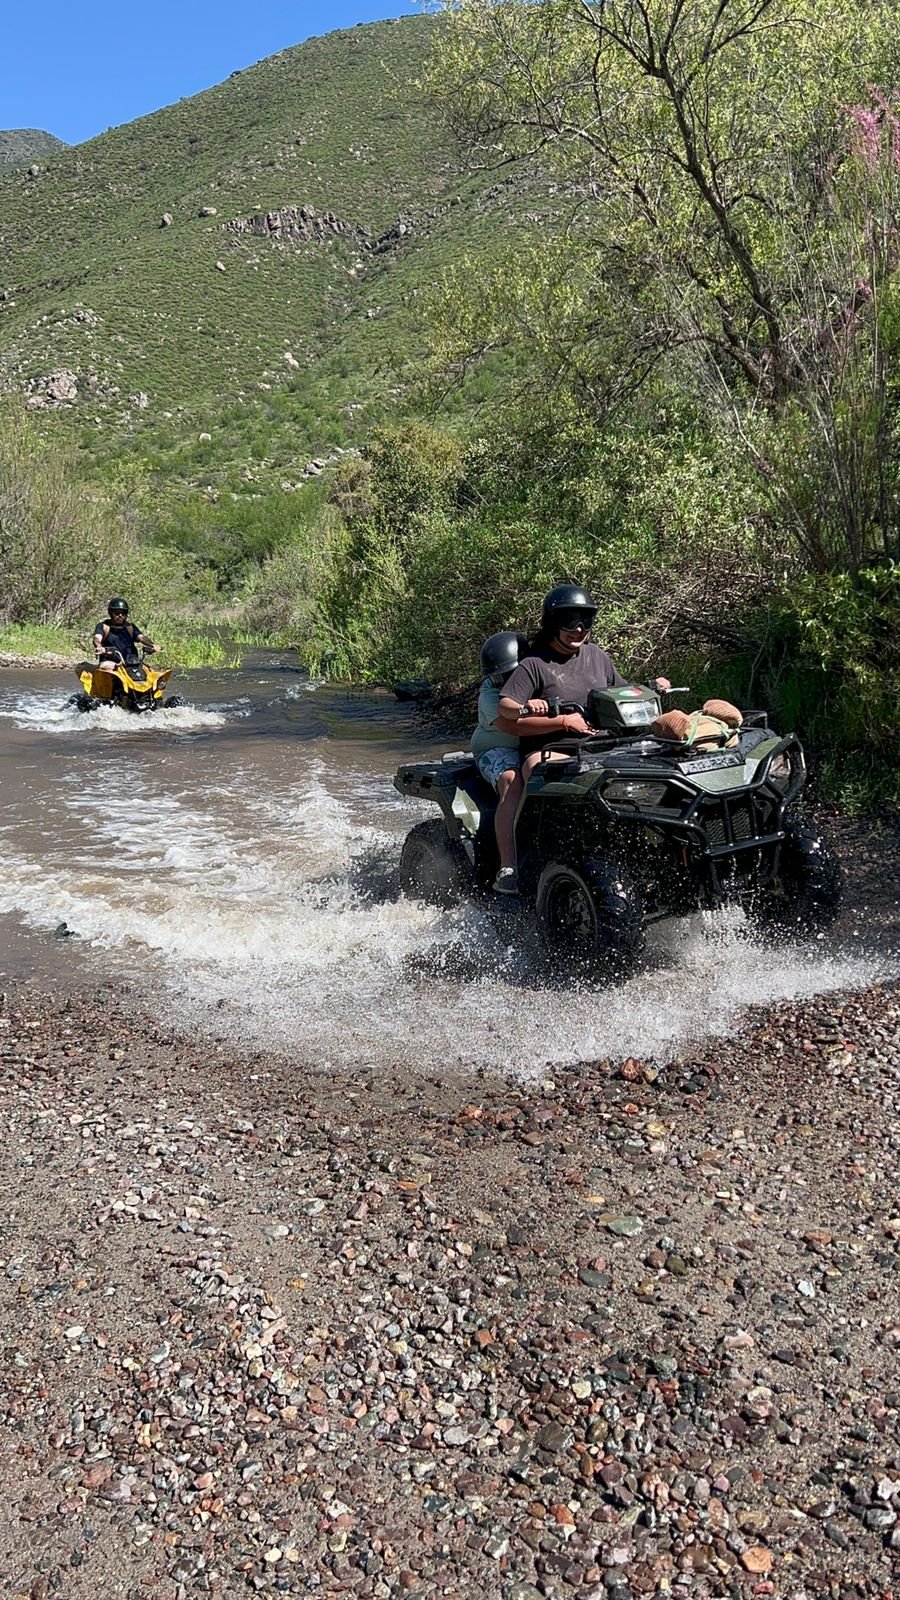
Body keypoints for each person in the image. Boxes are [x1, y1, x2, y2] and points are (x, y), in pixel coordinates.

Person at [500, 584, 669, 778]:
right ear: (553, 623)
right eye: (570, 621)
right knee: (546, 772)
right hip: (554, 750)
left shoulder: (596, 655)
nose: (579, 629)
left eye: (585, 621)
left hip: (602, 745)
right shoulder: (534, 663)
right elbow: (506, 707)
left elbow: (623, 691)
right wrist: (536, 710)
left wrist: (651, 687)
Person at [471, 631, 547, 896]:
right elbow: (516, 727)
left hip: (535, 748)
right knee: (512, 781)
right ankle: (508, 867)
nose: (513, 680)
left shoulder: (539, 681)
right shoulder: (491, 697)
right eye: (508, 675)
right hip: (495, 749)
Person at [92, 598, 158, 673]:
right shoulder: (103, 626)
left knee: (149, 672)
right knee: (109, 670)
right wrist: (99, 647)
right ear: (111, 613)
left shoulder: (130, 627)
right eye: (117, 613)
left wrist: (152, 645)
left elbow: (142, 638)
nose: (120, 615)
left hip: (131, 662)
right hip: (111, 661)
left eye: (123, 613)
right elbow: (97, 638)